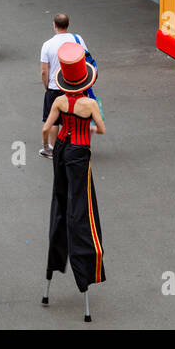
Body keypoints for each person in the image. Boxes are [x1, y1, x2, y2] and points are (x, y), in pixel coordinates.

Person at [41, 42, 107, 321]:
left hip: (62, 151)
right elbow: (101, 130)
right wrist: (89, 124)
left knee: (60, 203)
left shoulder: (58, 101)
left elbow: (47, 128)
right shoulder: (89, 103)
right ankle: (86, 267)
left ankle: (53, 270)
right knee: (80, 210)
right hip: (80, 154)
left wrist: (48, 146)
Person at [38, 14, 93, 160]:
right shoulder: (78, 39)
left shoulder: (47, 45)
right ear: (68, 24)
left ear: (54, 25)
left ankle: (53, 150)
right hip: (76, 85)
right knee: (76, 116)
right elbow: (85, 59)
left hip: (54, 87)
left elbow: (44, 71)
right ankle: (78, 145)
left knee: (54, 120)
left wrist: (47, 86)